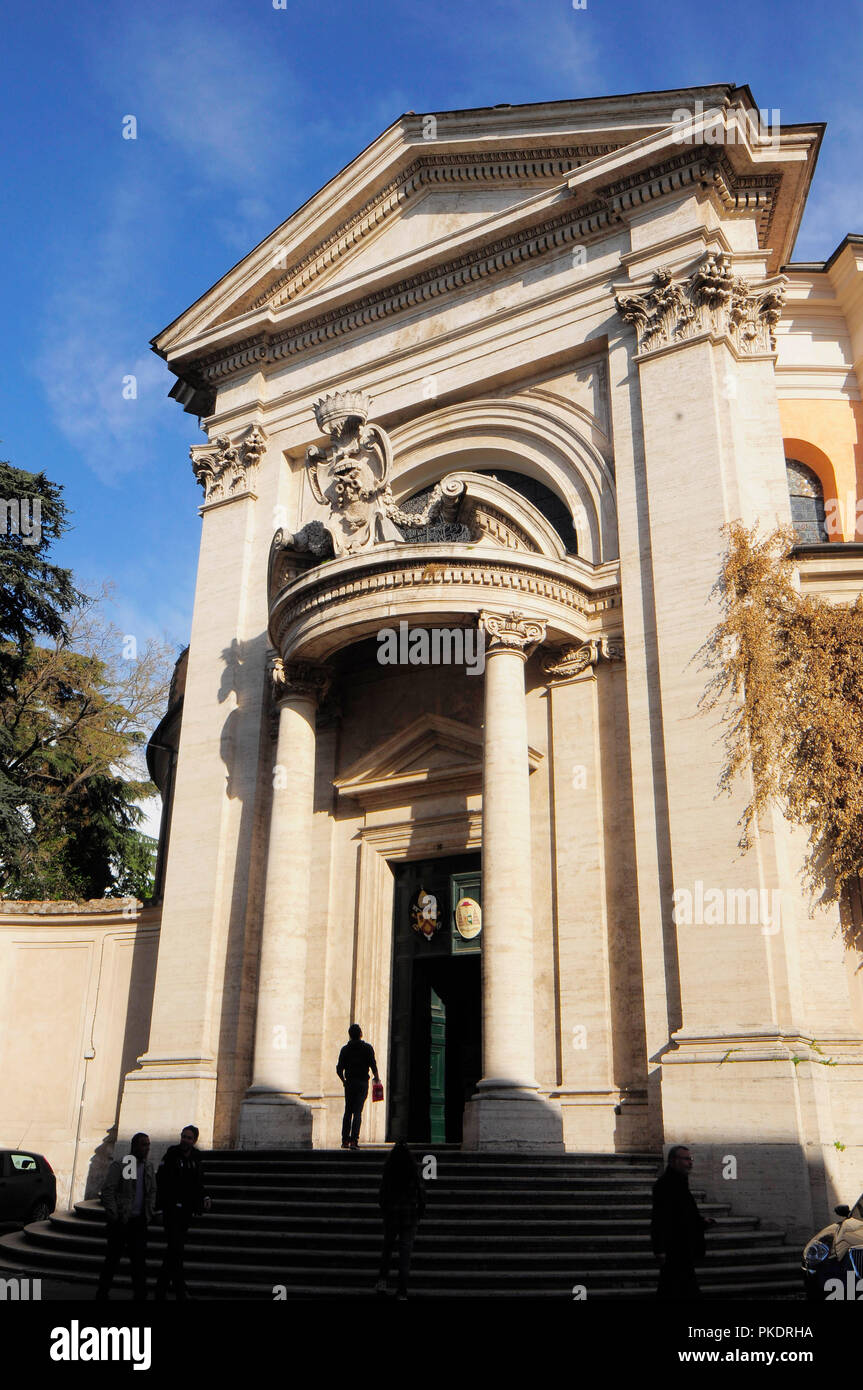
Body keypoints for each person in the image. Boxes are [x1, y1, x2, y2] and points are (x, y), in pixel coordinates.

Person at [96, 1132, 156, 1301]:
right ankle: (102, 1293)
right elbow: (109, 1190)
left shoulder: (148, 1167)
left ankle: (140, 1294)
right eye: (144, 1145)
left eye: (148, 1144)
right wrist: (115, 1214)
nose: (147, 1148)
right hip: (122, 1221)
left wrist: (148, 1212)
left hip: (139, 1221)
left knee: (139, 1262)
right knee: (112, 1260)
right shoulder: (123, 1165)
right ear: (135, 1146)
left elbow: (151, 1191)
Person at [154, 1124, 212, 1301]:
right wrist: (159, 1208)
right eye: (183, 1136)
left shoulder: (196, 1157)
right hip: (171, 1210)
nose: (185, 1140)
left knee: (174, 1251)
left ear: (194, 1140)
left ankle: (164, 1289)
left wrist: (205, 1196)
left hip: (186, 1211)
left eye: (188, 1138)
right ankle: (178, 1290)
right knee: (176, 1249)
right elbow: (161, 1182)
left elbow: (198, 1181)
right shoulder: (171, 1155)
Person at [650, 1144, 716, 1299]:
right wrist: (659, 1248)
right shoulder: (665, 1185)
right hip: (675, 1248)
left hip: (682, 1247)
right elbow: (659, 1218)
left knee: (673, 1289)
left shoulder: (680, 1182)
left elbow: (684, 1214)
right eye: (686, 1159)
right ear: (674, 1161)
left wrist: (701, 1222)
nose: (690, 1162)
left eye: (690, 1159)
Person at [375, 1140, 425, 1299]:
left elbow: (382, 1193)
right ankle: (402, 1291)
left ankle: (382, 1283)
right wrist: (419, 1213)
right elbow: (421, 1192)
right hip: (409, 1217)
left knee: (387, 1250)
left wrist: (384, 1209)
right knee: (405, 1256)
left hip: (391, 1216)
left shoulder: (389, 1170)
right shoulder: (412, 1170)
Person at [336, 1023, 380, 1150]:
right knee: (358, 1112)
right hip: (362, 1083)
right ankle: (354, 1141)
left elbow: (339, 1069)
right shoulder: (367, 1048)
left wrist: (343, 1080)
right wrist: (377, 1079)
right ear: (361, 1034)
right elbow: (373, 1065)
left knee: (348, 1111)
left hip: (349, 1083)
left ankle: (345, 1140)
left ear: (350, 1035)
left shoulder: (345, 1049)